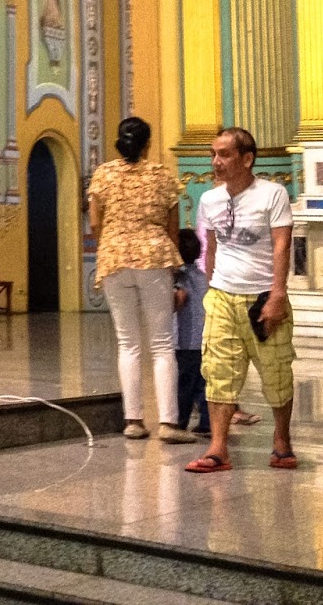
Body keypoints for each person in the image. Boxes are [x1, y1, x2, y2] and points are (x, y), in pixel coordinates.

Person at [185, 127, 296, 473]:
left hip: (262, 294)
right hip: (221, 296)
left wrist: (278, 293)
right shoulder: (209, 199)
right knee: (217, 371)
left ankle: (281, 440)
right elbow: (212, 246)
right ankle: (218, 448)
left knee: (276, 371)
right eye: (213, 154)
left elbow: (282, 243)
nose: (216, 162)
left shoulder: (272, 194)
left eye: (224, 155)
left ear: (247, 159)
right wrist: (211, 286)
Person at [87, 117, 194, 443]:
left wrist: (116, 242)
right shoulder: (161, 175)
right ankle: (168, 424)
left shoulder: (103, 174)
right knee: (162, 344)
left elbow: (94, 223)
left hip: (114, 260)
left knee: (127, 342)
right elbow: (173, 228)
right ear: (147, 144)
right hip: (154, 259)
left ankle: (133, 421)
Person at [173, 228, 209, 436]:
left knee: (184, 384)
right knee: (202, 383)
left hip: (185, 341)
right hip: (204, 339)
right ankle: (207, 423)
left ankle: (180, 421)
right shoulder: (202, 276)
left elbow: (180, 300)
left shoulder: (180, 279)